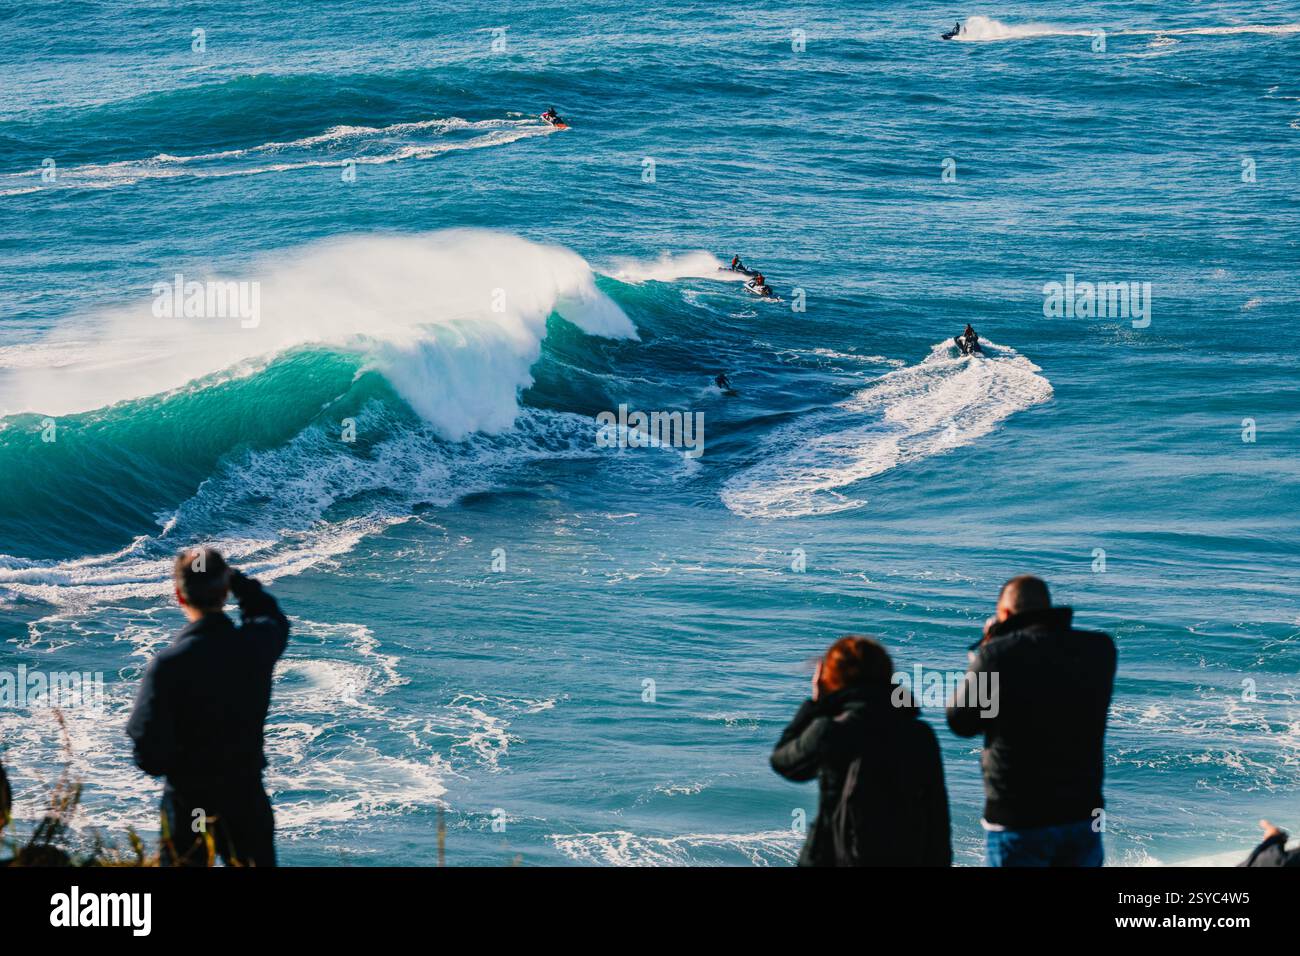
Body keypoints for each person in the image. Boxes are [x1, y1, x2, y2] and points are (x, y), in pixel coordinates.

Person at [127, 547, 289, 866]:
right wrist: (238, 582)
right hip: (243, 798)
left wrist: (181, 767)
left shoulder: (170, 665)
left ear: (179, 594)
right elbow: (271, 617)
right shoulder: (253, 648)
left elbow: (146, 748)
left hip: (192, 803)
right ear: (224, 592)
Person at [947, 575, 1116, 867]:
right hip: (1081, 809)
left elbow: (963, 722)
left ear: (1006, 614)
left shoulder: (996, 655)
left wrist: (986, 650)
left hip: (1018, 816)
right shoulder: (1099, 649)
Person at [771, 636, 952, 866]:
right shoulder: (919, 734)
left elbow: (785, 763)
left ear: (831, 679)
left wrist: (815, 704)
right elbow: (936, 817)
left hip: (835, 856)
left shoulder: (832, 729)